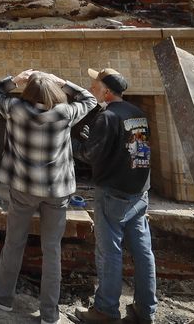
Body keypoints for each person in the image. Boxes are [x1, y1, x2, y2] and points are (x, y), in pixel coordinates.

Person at [0, 69, 98, 324]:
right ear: (53, 92)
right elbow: (90, 99)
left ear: (28, 91)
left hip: (23, 188)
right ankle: (50, 315)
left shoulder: (15, 109)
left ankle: (2, 297)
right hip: (57, 192)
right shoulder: (66, 113)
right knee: (52, 249)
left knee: (14, 241)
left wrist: (16, 79)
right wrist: (63, 82)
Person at [74, 68, 157, 324]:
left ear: (107, 92)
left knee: (109, 252)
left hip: (113, 193)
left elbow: (89, 155)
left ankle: (105, 311)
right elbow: (133, 149)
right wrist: (93, 138)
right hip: (139, 193)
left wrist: (72, 142)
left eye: (96, 85)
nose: (91, 88)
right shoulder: (137, 113)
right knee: (143, 252)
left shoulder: (107, 116)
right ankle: (146, 310)